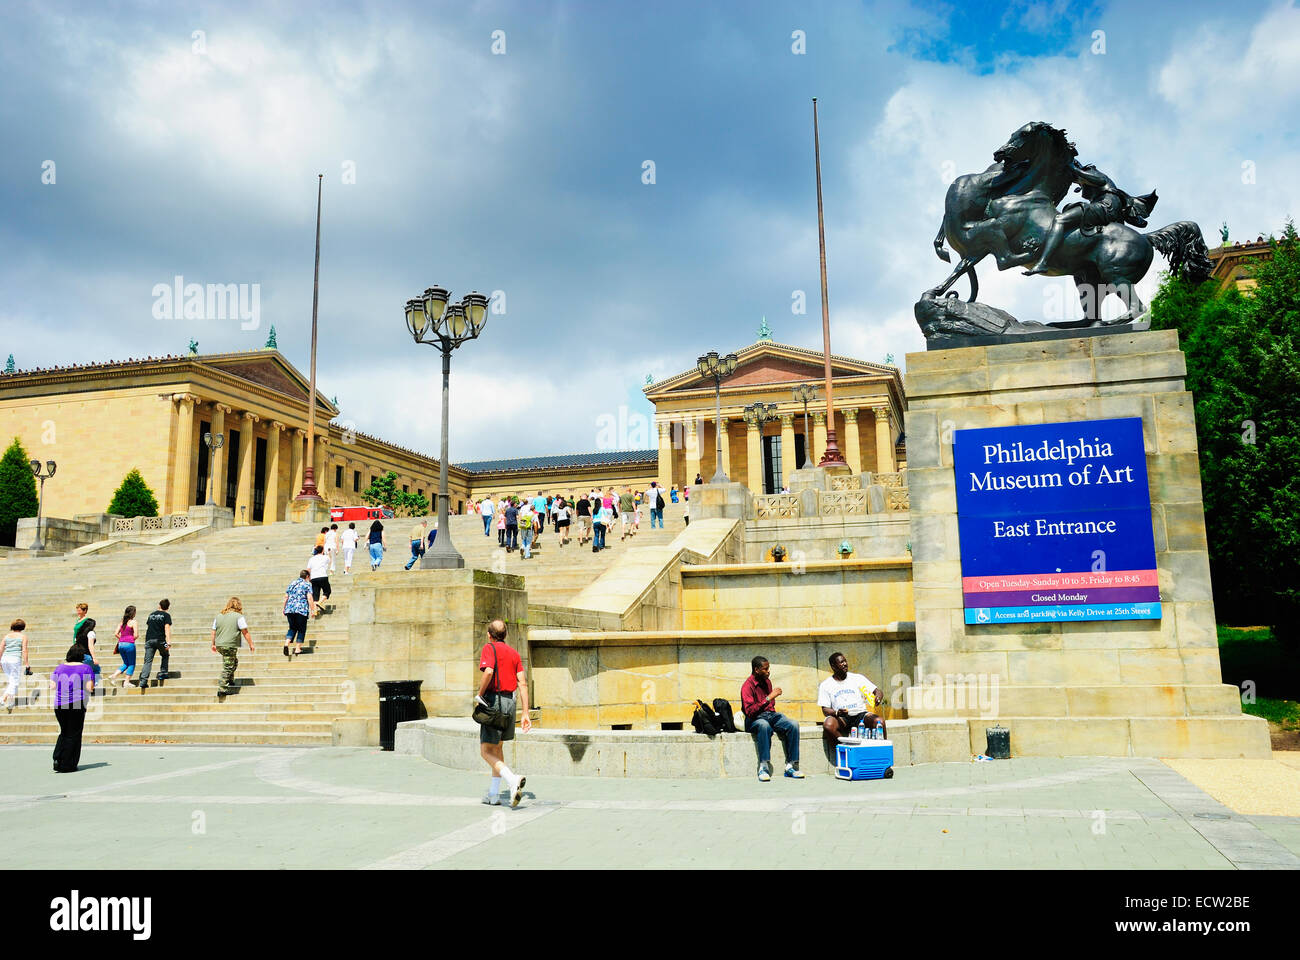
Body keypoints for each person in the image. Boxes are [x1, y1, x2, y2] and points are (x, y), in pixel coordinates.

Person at [475, 619, 530, 807]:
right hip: (510, 703)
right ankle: (493, 794)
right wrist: (525, 713)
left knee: (485, 751)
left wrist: (479, 694)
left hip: (494, 701)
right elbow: (522, 683)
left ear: (489, 635)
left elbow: (489, 671)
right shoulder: (514, 654)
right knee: (497, 749)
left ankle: (512, 779)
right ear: (505, 635)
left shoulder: (489, 648)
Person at [741, 656, 804, 781]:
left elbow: (770, 706)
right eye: (765, 669)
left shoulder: (767, 681)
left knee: (793, 724)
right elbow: (750, 711)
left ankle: (791, 765)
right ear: (756, 669)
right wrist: (769, 698)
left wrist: (771, 706)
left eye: (768, 668)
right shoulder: (747, 686)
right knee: (764, 726)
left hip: (769, 715)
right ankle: (763, 766)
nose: (768, 671)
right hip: (753, 719)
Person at [818, 651, 886, 757]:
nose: (845, 664)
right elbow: (825, 710)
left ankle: (882, 755)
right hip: (842, 718)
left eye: (845, 661)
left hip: (860, 715)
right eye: (841, 662)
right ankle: (846, 754)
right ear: (833, 666)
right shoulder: (826, 685)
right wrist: (837, 712)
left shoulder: (857, 678)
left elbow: (877, 691)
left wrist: (878, 697)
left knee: (879, 721)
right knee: (828, 725)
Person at [51, 643, 95, 772]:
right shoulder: (86, 668)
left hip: (59, 703)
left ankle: (58, 757)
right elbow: (89, 688)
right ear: (81, 656)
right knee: (74, 734)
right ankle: (68, 763)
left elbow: (52, 686)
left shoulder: (59, 668)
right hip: (77, 702)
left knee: (64, 731)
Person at [212, 596, 254, 697]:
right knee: (228, 666)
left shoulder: (219, 616)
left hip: (219, 644)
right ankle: (222, 688)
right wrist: (251, 644)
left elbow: (213, 631)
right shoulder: (238, 616)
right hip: (229, 645)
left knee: (233, 661)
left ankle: (230, 680)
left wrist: (213, 644)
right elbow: (245, 632)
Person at [137, 599, 171, 692]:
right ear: (167, 607)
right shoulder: (166, 615)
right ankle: (163, 673)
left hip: (149, 640)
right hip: (160, 640)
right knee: (165, 654)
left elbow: (149, 625)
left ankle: (143, 681)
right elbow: (167, 628)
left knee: (148, 661)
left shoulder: (151, 615)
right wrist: (168, 642)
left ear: (159, 605)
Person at [282, 569, 317, 657]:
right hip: (301, 609)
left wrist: (284, 608)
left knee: (292, 628)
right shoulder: (307, 584)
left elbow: (286, 596)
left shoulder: (292, 583)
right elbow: (309, 598)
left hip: (289, 609)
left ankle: (287, 643)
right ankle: (297, 648)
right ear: (307, 577)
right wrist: (313, 610)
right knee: (301, 629)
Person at [107, 606, 138, 690]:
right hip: (129, 644)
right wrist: (131, 639)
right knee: (131, 664)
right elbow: (135, 635)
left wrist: (122, 638)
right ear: (133, 613)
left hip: (121, 644)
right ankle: (126, 682)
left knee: (126, 663)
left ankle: (114, 676)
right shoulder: (133, 622)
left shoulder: (122, 622)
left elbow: (116, 633)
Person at [2, 619, 29, 713]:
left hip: (4, 659)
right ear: (22, 627)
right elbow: (24, 650)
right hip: (14, 659)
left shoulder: (6, 636)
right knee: (15, 681)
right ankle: (3, 698)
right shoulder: (23, 637)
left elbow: (1, 649)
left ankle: (10, 701)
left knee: (12, 680)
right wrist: (27, 664)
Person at [73, 602, 100, 691]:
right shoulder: (78, 620)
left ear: (85, 611)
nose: (78, 611)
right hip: (78, 643)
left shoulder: (87, 621)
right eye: (77, 609)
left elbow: (89, 642)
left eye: (80, 610)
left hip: (83, 644)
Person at [307, 545, 332, 613]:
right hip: (322, 576)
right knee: (327, 591)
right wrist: (329, 553)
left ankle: (315, 611)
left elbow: (308, 569)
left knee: (315, 595)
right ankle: (320, 602)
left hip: (314, 578)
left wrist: (309, 578)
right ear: (322, 551)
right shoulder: (325, 557)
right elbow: (330, 561)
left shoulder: (311, 559)